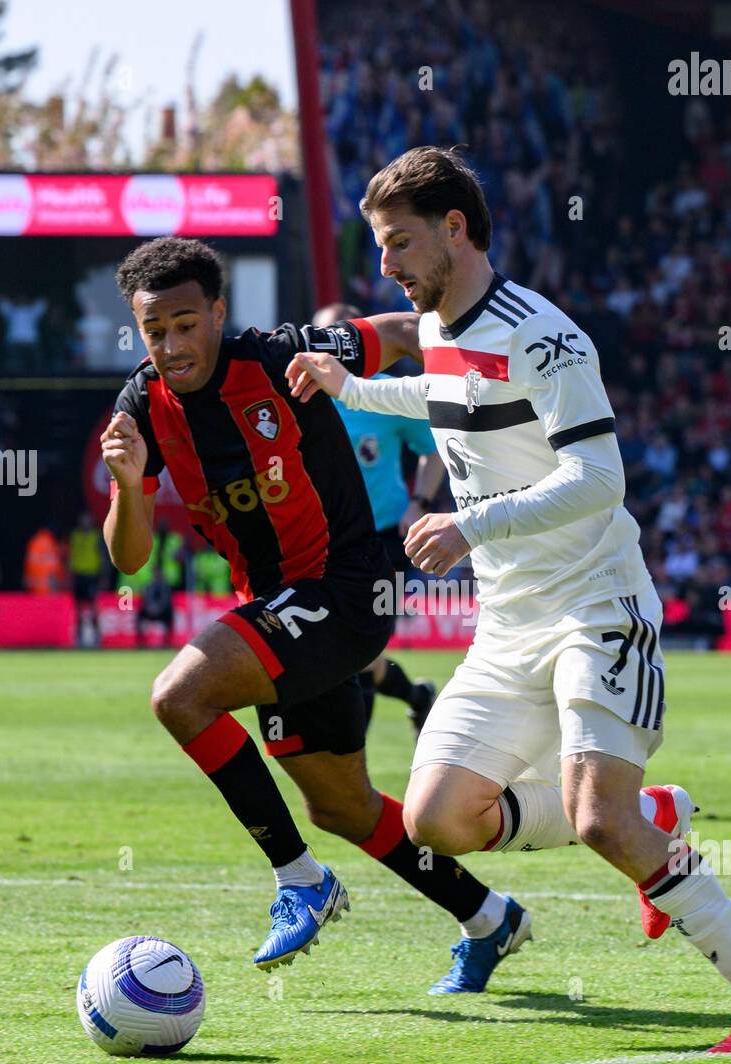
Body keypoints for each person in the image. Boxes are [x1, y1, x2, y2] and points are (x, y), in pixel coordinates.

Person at [287, 147, 731, 1049]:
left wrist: (471, 524)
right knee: (437, 819)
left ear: (456, 229)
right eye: (380, 247)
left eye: (400, 243)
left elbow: (599, 477)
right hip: (508, 624)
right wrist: (355, 385)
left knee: (600, 820)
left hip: (593, 606)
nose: (388, 266)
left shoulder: (544, 332)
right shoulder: (446, 324)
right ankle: (651, 817)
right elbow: (449, 397)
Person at [100, 235, 524, 987]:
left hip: (345, 588)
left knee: (179, 695)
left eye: (187, 323)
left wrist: (482, 366)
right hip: (276, 610)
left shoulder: (277, 357)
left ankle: (299, 879)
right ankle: (490, 917)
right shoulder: (140, 405)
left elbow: (393, 333)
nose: (172, 344)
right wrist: (131, 488)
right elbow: (127, 557)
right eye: (154, 331)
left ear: (218, 313)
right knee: (343, 806)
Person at [312, 301, 441, 732]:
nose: (329, 349)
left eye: (340, 339)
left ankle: (352, 781)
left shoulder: (385, 392)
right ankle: (417, 695)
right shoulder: (299, 398)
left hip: (383, 539)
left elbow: (432, 451)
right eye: (321, 339)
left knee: (356, 649)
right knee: (355, 652)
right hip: (321, 542)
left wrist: (418, 503)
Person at [68, 512, 104, 646]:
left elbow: (102, 557)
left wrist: (102, 577)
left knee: (93, 607)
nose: (85, 523)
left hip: (91, 575)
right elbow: (70, 556)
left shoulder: (96, 536)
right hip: (78, 575)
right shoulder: (75, 536)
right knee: (78, 609)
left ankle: (97, 637)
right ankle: (79, 638)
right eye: (83, 520)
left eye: (87, 520)